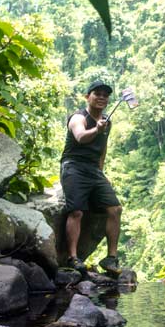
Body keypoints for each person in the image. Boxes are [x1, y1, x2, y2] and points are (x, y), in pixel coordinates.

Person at [60, 80, 123, 277]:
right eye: (97, 93)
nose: (102, 97)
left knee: (115, 209)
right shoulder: (78, 118)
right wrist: (97, 129)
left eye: (105, 95)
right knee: (77, 211)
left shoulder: (107, 122)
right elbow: (80, 137)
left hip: (93, 170)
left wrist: (101, 172)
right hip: (73, 166)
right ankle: (73, 257)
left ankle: (111, 258)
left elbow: (102, 149)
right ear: (88, 97)